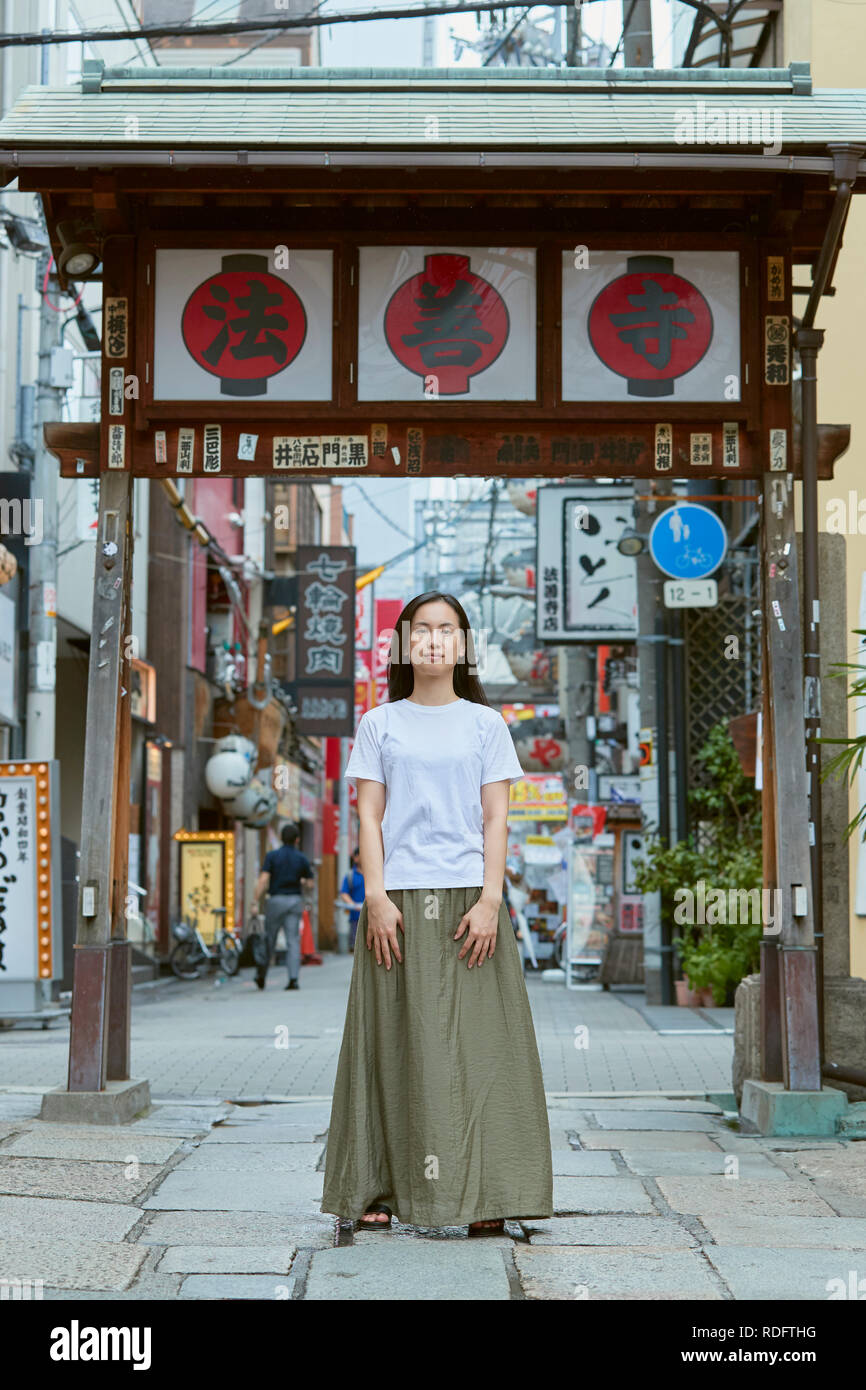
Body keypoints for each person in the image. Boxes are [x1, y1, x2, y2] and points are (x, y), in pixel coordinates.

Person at [320, 591, 553, 1235]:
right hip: (397, 904)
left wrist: (490, 899)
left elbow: (497, 816)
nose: (432, 640)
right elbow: (368, 814)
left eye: (446, 629)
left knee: (483, 1052)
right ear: (402, 644)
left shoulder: (486, 725)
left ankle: (489, 1196)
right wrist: (375, 895)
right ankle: (376, 1188)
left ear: (463, 644)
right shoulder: (380, 724)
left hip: (470, 905)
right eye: (420, 629)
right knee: (391, 1046)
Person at [253, 822, 314, 991]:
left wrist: (254, 901)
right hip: (294, 901)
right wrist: (302, 882)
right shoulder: (301, 858)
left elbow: (264, 880)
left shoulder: (272, 856)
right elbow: (310, 883)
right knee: (293, 940)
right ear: (297, 839)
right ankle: (293, 980)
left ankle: (261, 976)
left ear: (281, 838)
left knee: (269, 939)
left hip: (276, 901)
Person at [339, 848, 365, 950]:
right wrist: (354, 905)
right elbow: (344, 893)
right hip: (355, 917)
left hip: (373, 915)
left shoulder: (374, 873)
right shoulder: (350, 875)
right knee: (357, 947)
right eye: (357, 855)